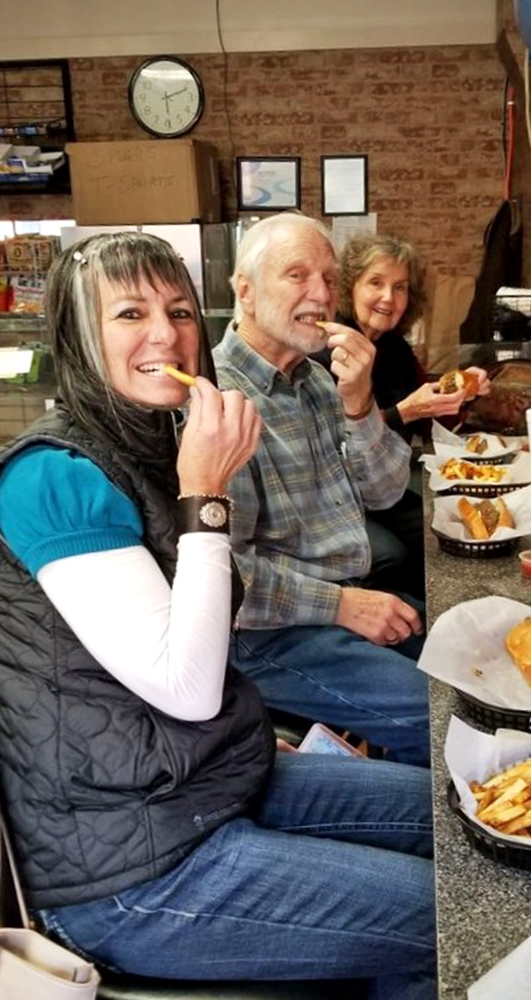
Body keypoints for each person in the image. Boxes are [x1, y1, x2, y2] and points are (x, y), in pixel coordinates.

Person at [0, 232, 436, 1000]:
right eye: (129, 314)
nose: (165, 335)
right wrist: (206, 492)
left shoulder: (156, 437)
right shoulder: (52, 479)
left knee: (455, 822)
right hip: (130, 867)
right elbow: (190, 686)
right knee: (447, 917)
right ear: (76, 335)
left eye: (178, 312)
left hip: (209, 781)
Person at [212, 213, 430, 768]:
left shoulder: (315, 381)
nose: (321, 294)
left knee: (474, 663)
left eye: (330, 279)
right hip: (265, 632)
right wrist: (342, 606)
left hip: (342, 598)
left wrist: (359, 404)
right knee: (438, 713)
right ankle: (407, 812)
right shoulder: (217, 403)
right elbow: (224, 579)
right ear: (245, 291)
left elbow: (384, 492)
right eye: (297, 275)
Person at [314, 232, 489, 598]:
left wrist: (462, 393)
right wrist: (405, 412)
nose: (388, 298)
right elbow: (333, 443)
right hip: (334, 497)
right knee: (393, 556)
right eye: (375, 283)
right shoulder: (325, 349)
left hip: (384, 486)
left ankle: (444, 613)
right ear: (349, 287)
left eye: (400, 288)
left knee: (444, 527)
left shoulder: (395, 348)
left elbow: (431, 419)